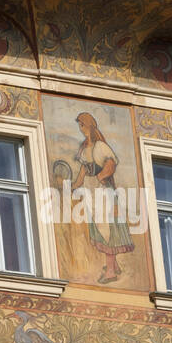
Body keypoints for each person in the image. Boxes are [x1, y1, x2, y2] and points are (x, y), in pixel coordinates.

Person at [70, 112, 135, 284]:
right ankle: (113, 265)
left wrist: (101, 177)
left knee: (107, 230)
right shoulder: (86, 148)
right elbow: (84, 169)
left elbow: (111, 164)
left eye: (82, 125)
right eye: (79, 126)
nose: (81, 129)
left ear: (90, 126)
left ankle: (111, 271)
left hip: (103, 193)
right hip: (93, 194)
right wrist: (76, 184)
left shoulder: (100, 146)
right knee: (101, 229)